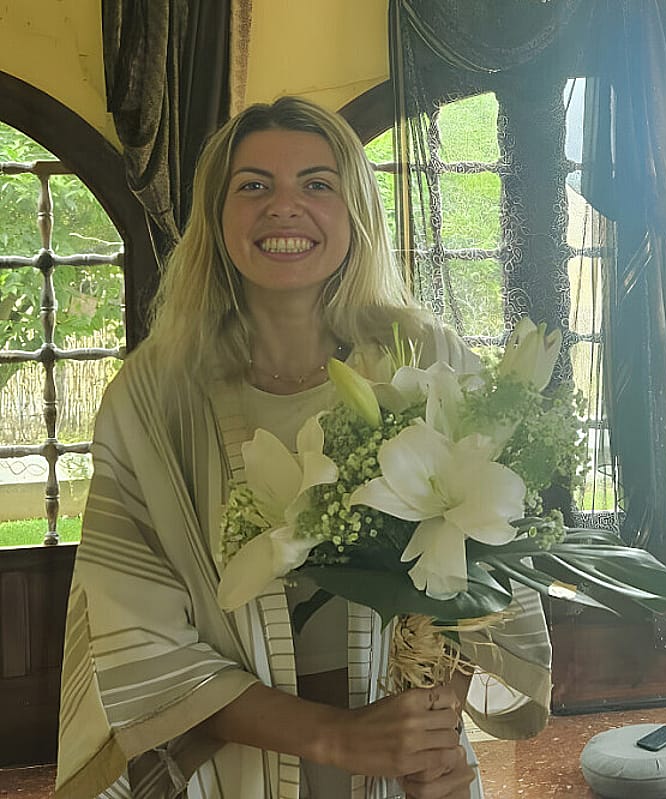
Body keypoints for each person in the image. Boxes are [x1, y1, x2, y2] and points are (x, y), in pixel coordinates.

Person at [55, 96, 551, 799]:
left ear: (356, 210)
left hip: (408, 759)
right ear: (216, 215)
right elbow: (131, 622)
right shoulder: (154, 396)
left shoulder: (426, 356)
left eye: (318, 184)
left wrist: (428, 726)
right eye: (253, 185)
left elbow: (487, 568)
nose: (284, 207)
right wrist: (333, 737)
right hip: (232, 760)